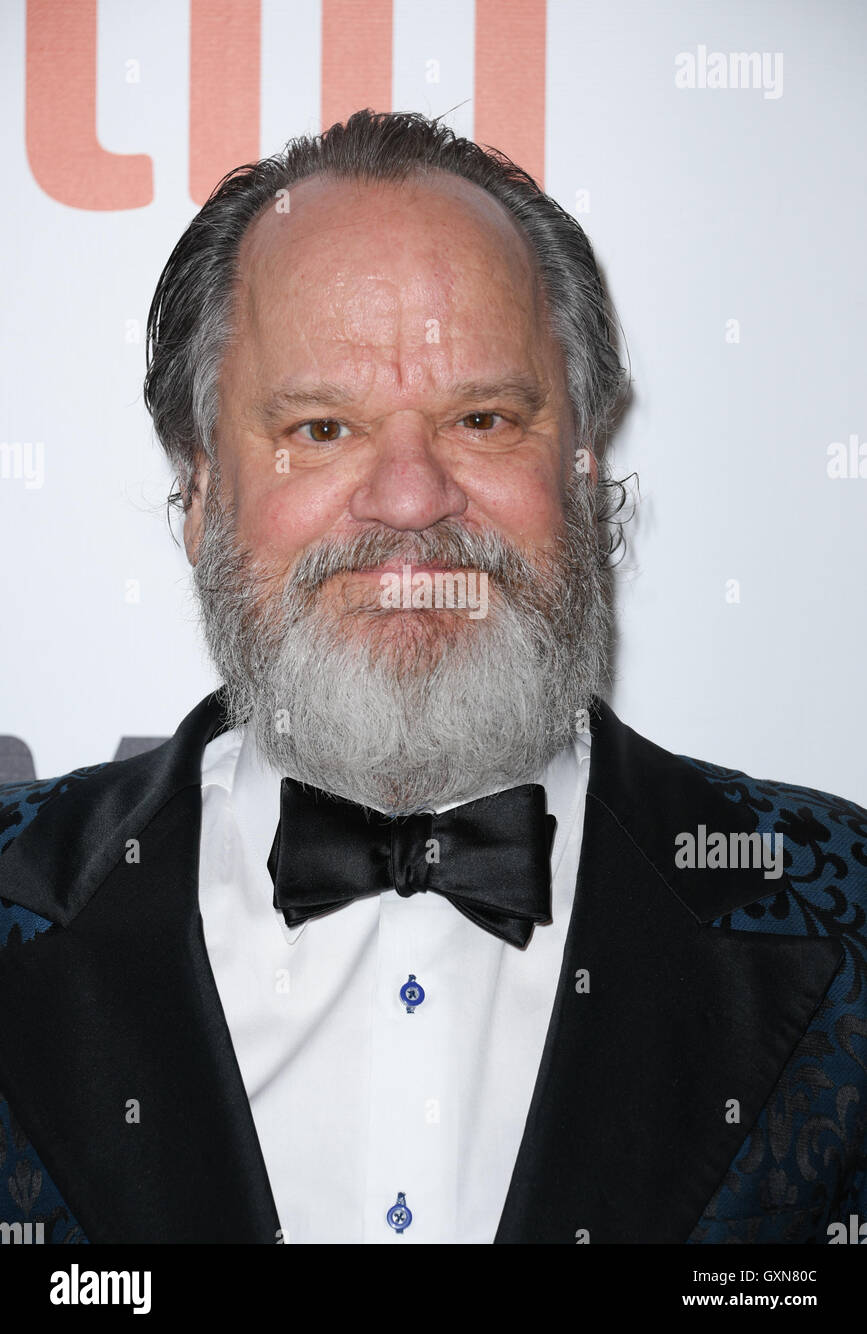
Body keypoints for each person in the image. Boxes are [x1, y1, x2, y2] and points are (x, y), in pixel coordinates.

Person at [0, 110, 864, 1246]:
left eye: (484, 417)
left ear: (588, 468)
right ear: (201, 490)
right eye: (321, 427)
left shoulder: (841, 918)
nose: (410, 499)